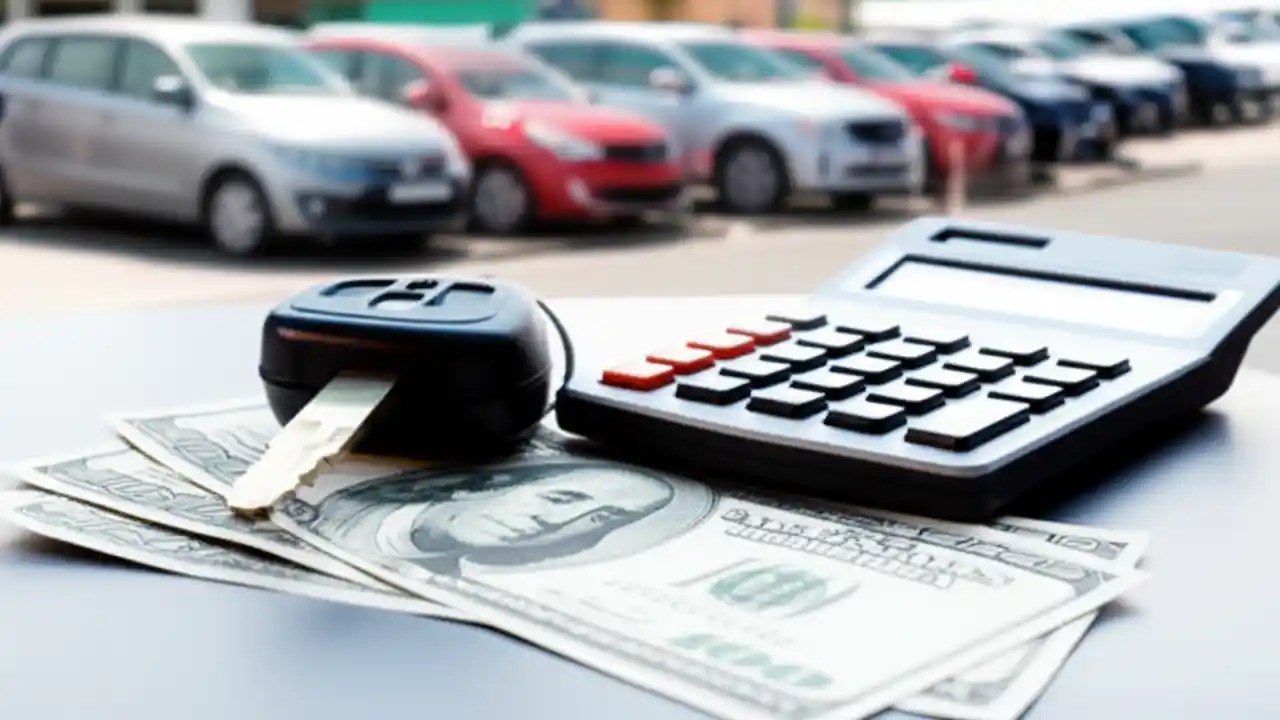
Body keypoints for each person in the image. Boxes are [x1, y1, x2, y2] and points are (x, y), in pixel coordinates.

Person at [315, 461, 676, 576]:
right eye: (561, 497)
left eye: (603, 518)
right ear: (479, 488)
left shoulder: (442, 580)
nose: (558, 521)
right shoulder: (332, 514)